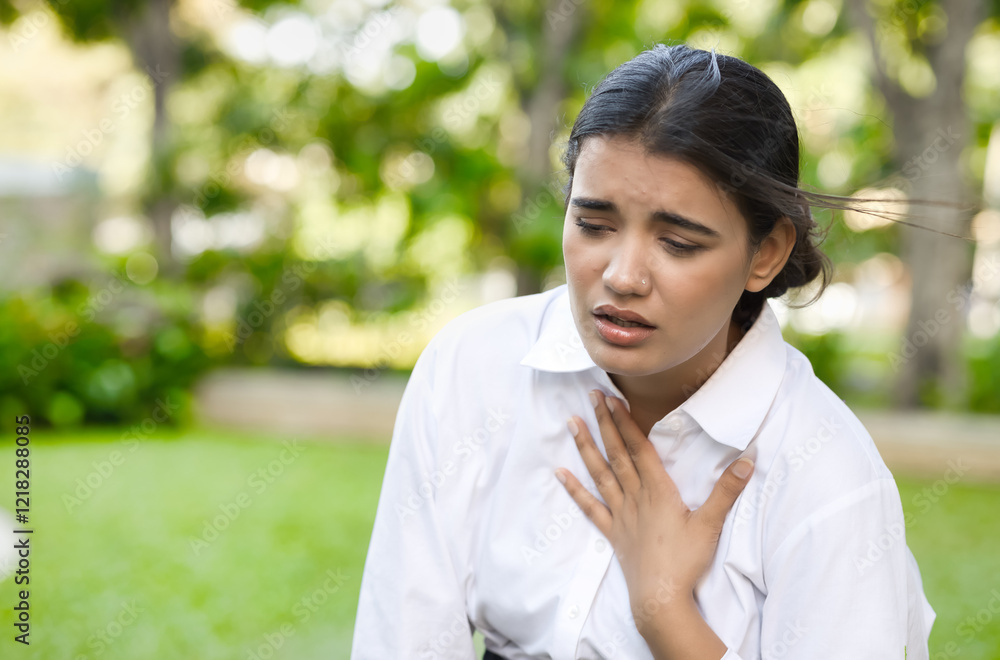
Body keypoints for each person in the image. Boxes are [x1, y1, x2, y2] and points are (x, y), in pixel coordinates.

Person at [350, 44, 935, 660]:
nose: (623, 276)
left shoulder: (823, 471)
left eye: (678, 242)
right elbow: (403, 637)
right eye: (594, 225)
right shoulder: (475, 367)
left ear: (765, 254)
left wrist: (665, 613)